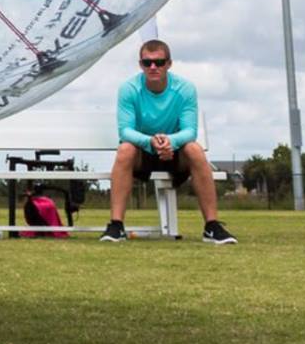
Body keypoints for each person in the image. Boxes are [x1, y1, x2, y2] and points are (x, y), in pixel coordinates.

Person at [99, 40, 235, 245]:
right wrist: (151, 142)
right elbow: (125, 131)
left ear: (169, 64)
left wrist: (169, 141)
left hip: (175, 152)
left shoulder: (185, 89)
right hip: (142, 152)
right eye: (147, 62)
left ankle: (212, 226)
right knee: (125, 149)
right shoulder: (128, 89)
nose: (153, 67)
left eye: (159, 62)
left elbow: (190, 131)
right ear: (140, 64)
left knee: (195, 150)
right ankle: (116, 226)